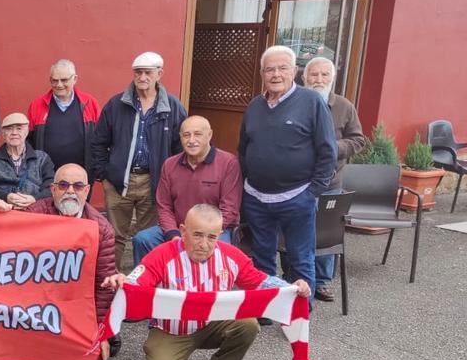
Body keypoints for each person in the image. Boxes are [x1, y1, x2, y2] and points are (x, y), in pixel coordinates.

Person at [102, 204, 311, 360]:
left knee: (249, 324)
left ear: (220, 235)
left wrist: (292, 288)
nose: (204, 244)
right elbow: (139, 280)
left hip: (213, 324)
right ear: (183, 231)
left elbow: (259, 282)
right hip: (172, 329)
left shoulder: (231, 255)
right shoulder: (163, 254)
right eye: (197, 235)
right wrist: (123, 280)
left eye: (212, 237)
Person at [238, 45, 337, 300]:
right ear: (262, 74)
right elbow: (243, 148)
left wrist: (313, 192)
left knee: (300, 256)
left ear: (294, 71)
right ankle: (266, 306)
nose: (276, 74)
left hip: (298, 196)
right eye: (269, 69)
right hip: (257, 198)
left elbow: (328, 151)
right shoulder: (254, 106)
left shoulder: (312, 102)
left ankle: (300, 313)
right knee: (262, 256)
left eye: (283, 68)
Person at [90, 51, 187, 269]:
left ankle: (141, 282)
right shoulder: (116, 104)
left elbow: (180, 148)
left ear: (159, 74)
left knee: (146, 238)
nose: (142, 77)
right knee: (114, 236)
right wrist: (104, 175)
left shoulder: (173, 107)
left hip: (153, 182)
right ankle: (109, 281)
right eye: (138, 73)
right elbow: (98, 142)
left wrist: (169, 182)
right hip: (118, 182)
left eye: (147, 72)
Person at [22, 163, 119, 360]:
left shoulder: (101, 229)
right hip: (38, 299)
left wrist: (99, 330)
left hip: (75, 301)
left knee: (103, 345)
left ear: (87, 190)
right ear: (53, 189)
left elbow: (104, 285)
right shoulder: (33, 215)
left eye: (78, 186)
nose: (71, 191)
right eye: (64, 185)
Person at [131, 115, 242, 265]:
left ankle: (205, 287)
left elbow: (229, 210)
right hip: (179, 229)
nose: (191, 140)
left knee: (215, 253)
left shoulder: (228, 163)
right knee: (142, 239)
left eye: (198, 134)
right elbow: (163, 206)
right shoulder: (170, 164)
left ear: (209, 135)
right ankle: (149, 285)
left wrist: (199, 236)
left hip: (213, 231)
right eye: (186, 135)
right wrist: (174, 235)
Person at [303, 56, 366, 302]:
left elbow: (358, 140)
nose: (318, 79)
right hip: (298, 182)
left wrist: (332, 147)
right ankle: (294, 277)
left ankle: (322, 281)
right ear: (304, 77)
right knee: (294, 235)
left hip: (330, 182)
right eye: (313, 75)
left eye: (324, 75)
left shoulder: (344, 106)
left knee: (325, 232)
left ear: (332, 78)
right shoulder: (296, 103)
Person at [27, 59, 102, 172]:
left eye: (64, 80)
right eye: (54, 81)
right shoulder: (37, 105)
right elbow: (27, 141)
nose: (59, 85)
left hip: (81, 176)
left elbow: (101, 139)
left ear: (75, 79)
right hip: (46, 177)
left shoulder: (90, 103)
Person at [0, 113, 55, 209]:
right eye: (9, 129)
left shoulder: (42, 158)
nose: (14, 132)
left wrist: (34, 198)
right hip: (3, 210)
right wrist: (6, 196)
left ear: (26, 132)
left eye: (19, 128)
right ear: (3, 134)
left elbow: (51, 186)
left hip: (35, 210)